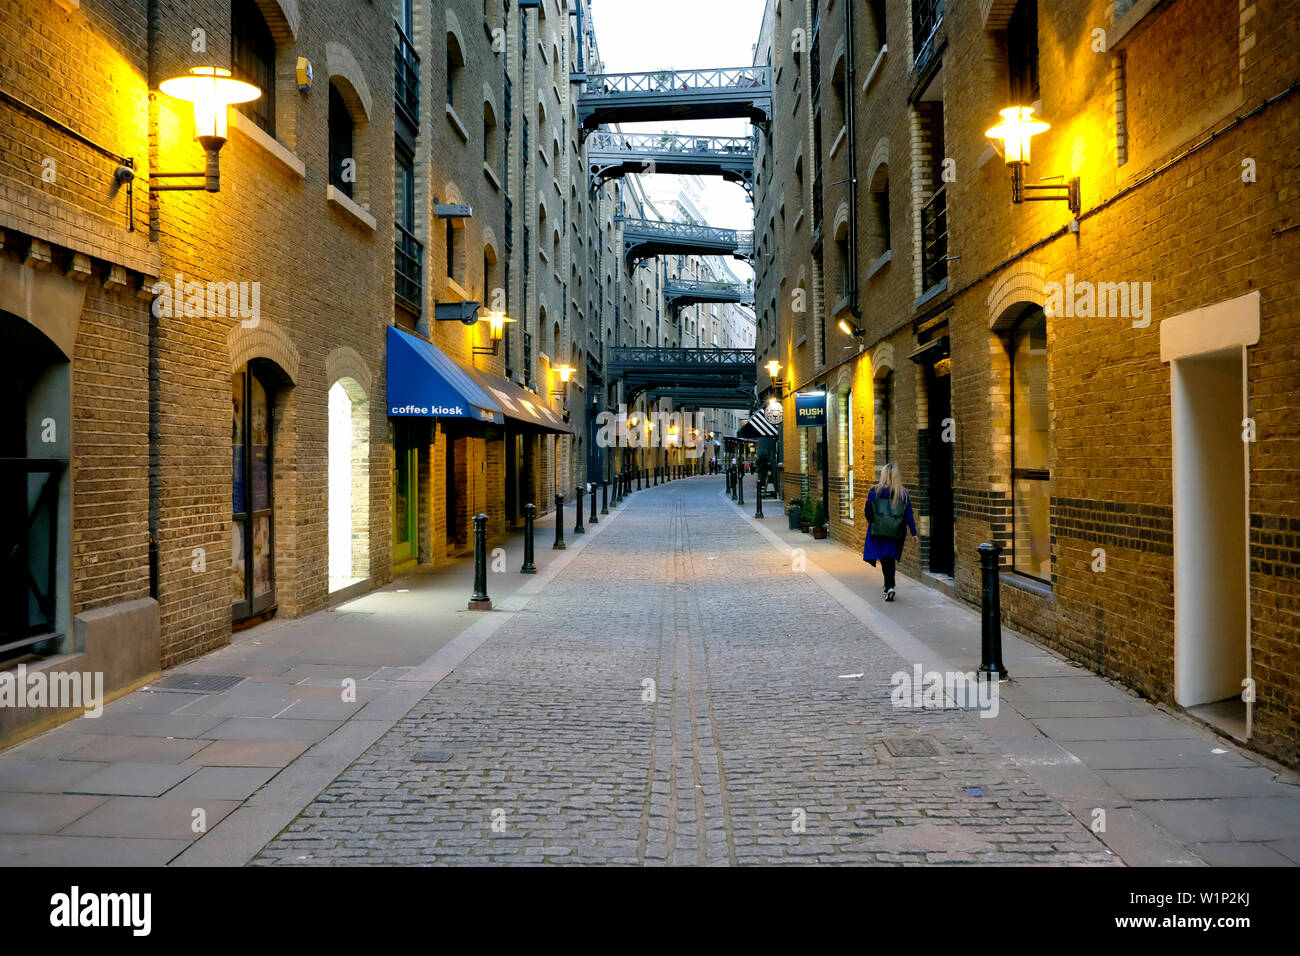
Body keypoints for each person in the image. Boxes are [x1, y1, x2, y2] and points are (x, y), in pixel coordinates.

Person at [863, 463, 919, 602]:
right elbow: (909, 515)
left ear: (883, 475)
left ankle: (889, 586)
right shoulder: (903, 493)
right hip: (896, 532)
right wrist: (914, 533)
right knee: (890, 558)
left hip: (879, 530)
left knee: (885, 558)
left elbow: (868, 511)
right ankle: (889, 585)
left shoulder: (875, 491)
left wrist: (874, 522)